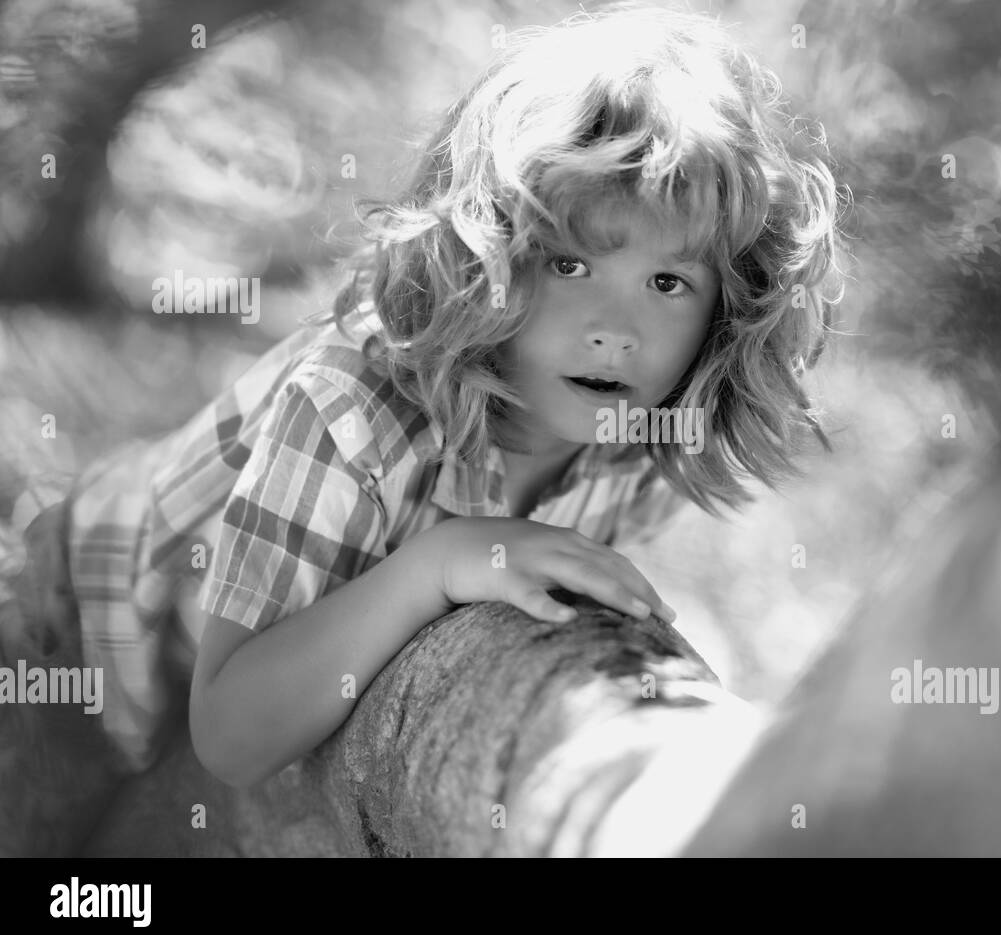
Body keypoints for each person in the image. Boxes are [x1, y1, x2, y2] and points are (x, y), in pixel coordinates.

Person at [0, 3, 848, 854]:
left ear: (730, 308)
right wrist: (440, 564)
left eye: (669, 281)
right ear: (487, 253)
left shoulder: (648, 442)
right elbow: (230, 731)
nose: (615, 328)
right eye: (570, 262)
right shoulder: (354, 411)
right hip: (66, 638)